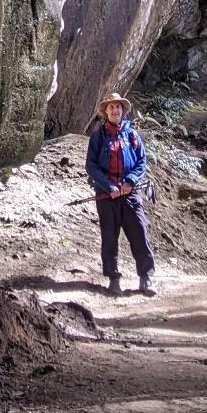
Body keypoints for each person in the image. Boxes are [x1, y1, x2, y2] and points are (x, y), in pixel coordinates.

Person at [85, 90, 156, 297]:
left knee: (139, 232)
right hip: (106, 196)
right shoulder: (98, 137)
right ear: (106, 111)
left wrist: (130, 182)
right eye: (111, 107)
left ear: (123, 111)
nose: (115, 110)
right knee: (109, 237)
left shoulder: (132, 135)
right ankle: (113, 279)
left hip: (130, 193)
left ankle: (146, 277)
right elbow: (91, 166)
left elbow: (141, 161)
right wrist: (109, 187)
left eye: (118, 107)